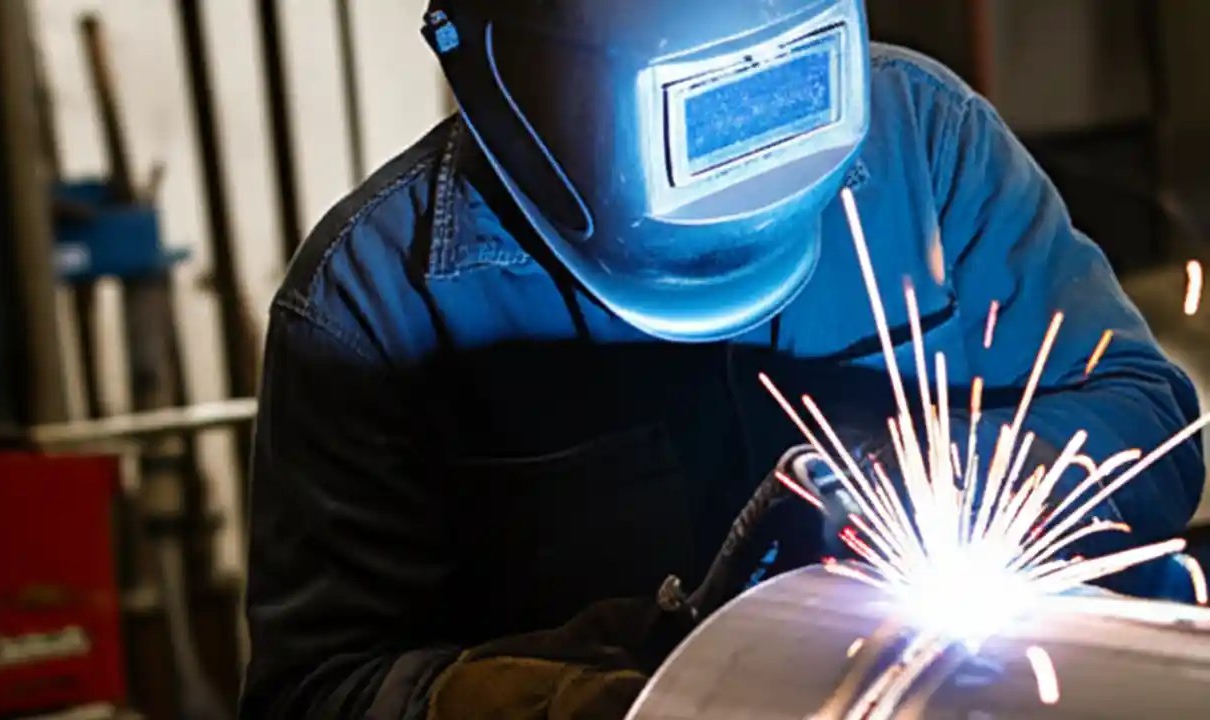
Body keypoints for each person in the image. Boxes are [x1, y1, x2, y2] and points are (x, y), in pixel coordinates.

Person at [240, 1, 1205, 717]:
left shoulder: (926, 142)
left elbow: (1148, 411)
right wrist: (546, 703)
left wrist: (971, 477)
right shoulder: (371, 303)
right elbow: (315, 690)